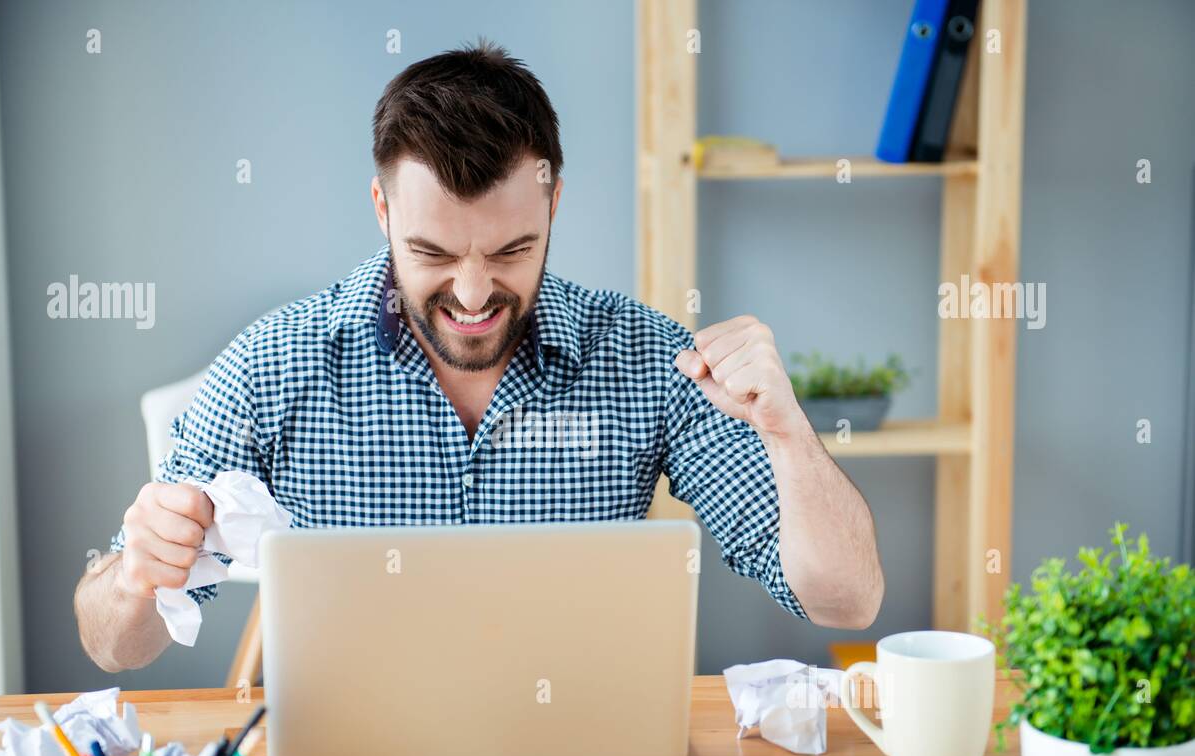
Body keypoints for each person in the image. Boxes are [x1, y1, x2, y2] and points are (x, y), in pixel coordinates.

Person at [76, 41, 883, 672]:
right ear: (381, 209)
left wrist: (788, 434)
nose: (471, 295)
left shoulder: (643, 359)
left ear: (554, 201)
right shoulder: (275, 364)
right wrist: (137, 573)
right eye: (431, 251)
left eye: (510, 249)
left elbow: (847, 601)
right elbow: (115, 644)